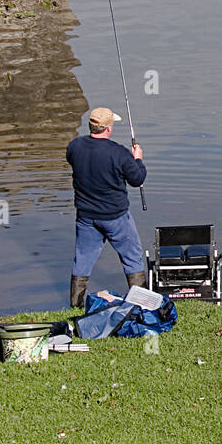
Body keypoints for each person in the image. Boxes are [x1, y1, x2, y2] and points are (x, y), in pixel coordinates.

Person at [66, 106, 148, 307]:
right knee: (132, 258)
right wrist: (137, 159)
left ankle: (76, 304)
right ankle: (142, 303)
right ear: (108, 128)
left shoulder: (74, 147)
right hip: (115, 217)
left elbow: (73, 160)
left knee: (82, 260)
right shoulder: (118, 153)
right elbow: (137, 179)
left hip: (86, 216)